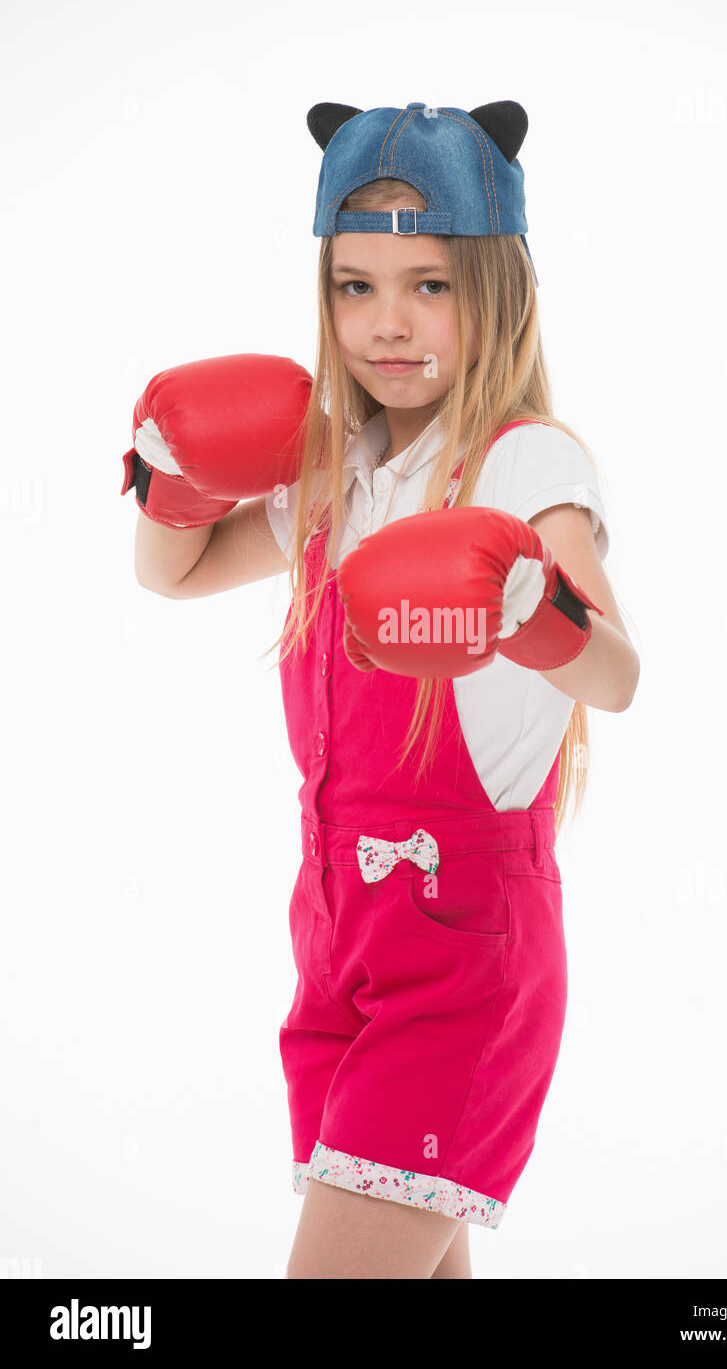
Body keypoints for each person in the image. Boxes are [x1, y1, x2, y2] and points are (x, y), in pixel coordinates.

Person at [125, 100, 640, 1280]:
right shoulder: (330, 463)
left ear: (497, 291)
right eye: (354, 287)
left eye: (430, 285)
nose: (387, 324)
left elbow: (615, 674)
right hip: (336, 932)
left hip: (465, 948)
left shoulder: (523, 461)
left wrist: (528, 608)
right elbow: (177, 574)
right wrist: (167, 477)